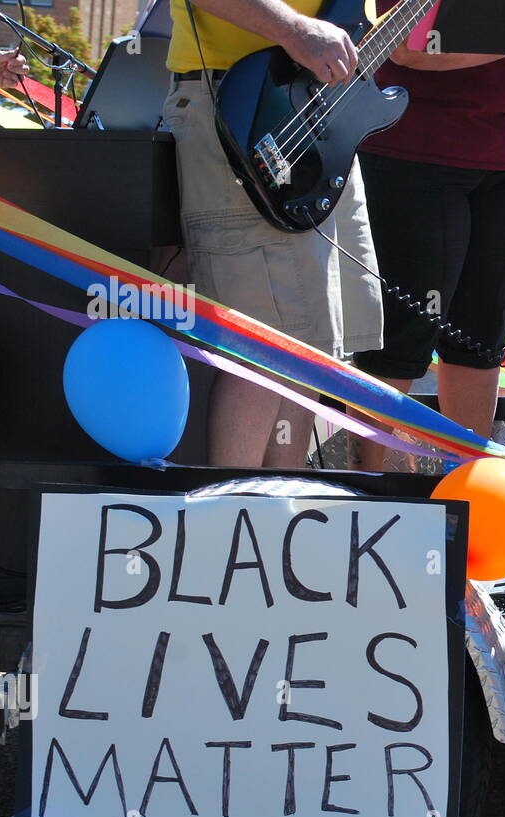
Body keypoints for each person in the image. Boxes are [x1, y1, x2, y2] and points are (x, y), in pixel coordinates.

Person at [163, 0, 381, 469]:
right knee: (261, 347)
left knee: (308, 349)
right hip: (244, 108)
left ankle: (283, 508)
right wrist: (294, 29)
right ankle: (235, 516)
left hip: (312, 113)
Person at [352, 0, 505, 468]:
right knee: (396, 343)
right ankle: (358, 488)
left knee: (480, 345)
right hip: (414, 151)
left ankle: (467, 490)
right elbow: (405, 50)